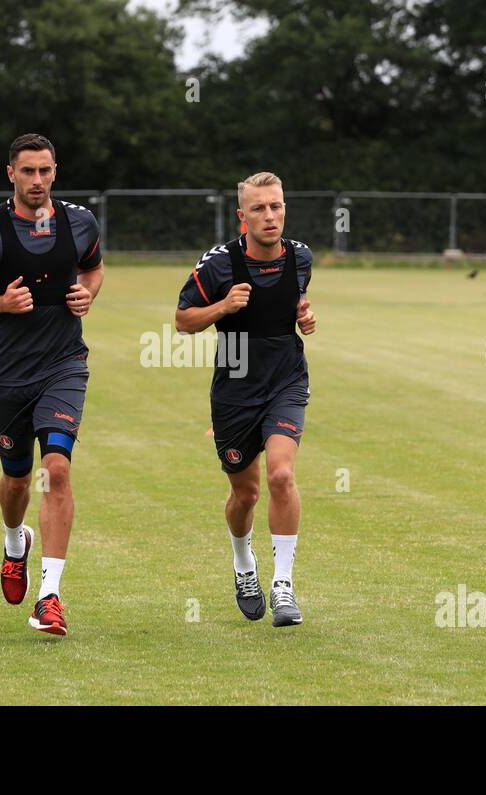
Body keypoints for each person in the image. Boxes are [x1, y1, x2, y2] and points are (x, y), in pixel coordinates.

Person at [0, 134, 104, 636]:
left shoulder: (80, 222)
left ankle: (50, 596)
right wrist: (0, 304)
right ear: (9, 173)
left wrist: (86, 294)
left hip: (65, 366)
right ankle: (15, 542)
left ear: (56, 171)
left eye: (46, 171)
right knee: (16, 480)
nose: (38, 181)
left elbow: (94, 269)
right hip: (10, 377)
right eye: (28, 172)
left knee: (56, 469)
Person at [175, 172, 316, 628]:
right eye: (259, 208)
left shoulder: (300, 257)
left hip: (285, 379)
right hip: (235, 383)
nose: (269, 216)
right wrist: (222, 308)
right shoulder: (218, 265)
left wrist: (305, 314)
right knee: (245, 492)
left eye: (275, 206)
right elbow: (182, 321)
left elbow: (295, 303)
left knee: (280, 474)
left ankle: (284, 586)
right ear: (242, 217)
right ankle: (243, 565)